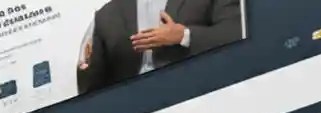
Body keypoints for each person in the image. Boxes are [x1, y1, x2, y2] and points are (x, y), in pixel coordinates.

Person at [77, 0, 243, 94]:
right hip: (132, 112)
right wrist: (87, 65)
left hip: (196, 93)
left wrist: (184, 36)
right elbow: (89, 87)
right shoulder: (107, 14)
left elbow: (236, 33)